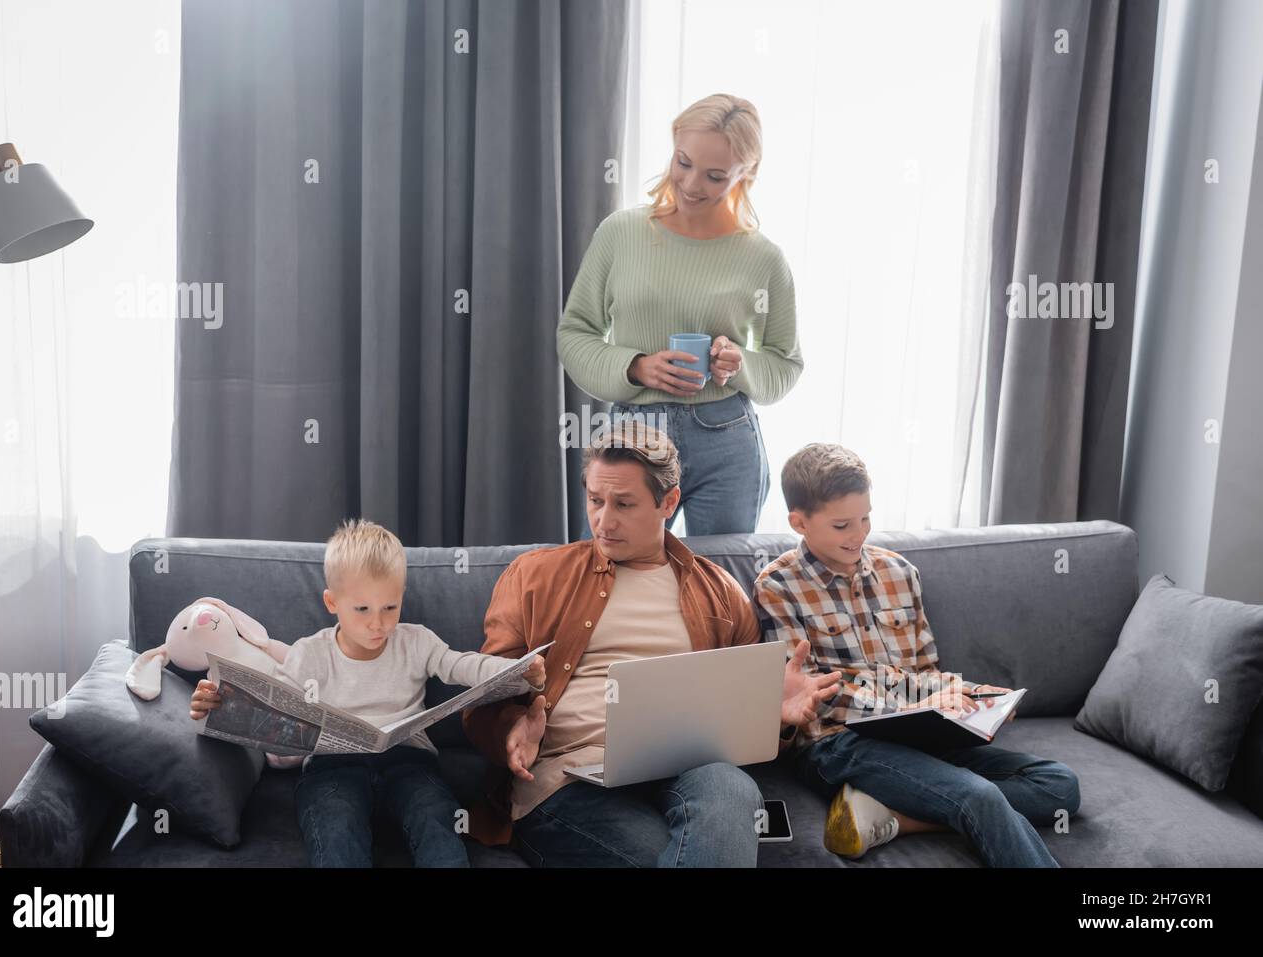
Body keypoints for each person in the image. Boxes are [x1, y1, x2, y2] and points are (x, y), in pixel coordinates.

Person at [462, 421, 838, 867]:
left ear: (669, 501)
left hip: (686, 767)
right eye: (595, 501)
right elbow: (482, 693)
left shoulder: (720, 592)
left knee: (731, 786)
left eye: (624, 504)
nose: (604, 520)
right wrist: (510, 728)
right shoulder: (534, 575)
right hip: (569, 777)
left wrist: (770, 711)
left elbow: (739, 723)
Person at [753, 443, 1082, 866]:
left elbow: (925, 670)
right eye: (841, 525)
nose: (859, 534)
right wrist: (914, 703)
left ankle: (892, 816)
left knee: (1059, 786)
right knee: (978, 795)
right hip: (836, 744)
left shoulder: (899, 573)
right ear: (799, 522)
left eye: (866, 518)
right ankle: (945, 807)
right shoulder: (777, 585)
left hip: (918, 732)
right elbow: (809, 694)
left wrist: (970, 695)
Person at [189, 518, 544, 867]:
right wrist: (221, 706)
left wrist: (516, 671)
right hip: (332, 768)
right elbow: (279, 743)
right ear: (332, 602)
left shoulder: (415, 641)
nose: (378, 623)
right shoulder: (308, 654)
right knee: (334, 826)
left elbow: (463, 665)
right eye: (362, 609)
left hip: (409, 762)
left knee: (435, 818)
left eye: (390, 607)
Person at [557, 93, 802, 536]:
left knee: (720, 585)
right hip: (635, 430)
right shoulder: (621, 234)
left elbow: (786, 361)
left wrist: (740, 363)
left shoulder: (764, 258)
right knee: (621, 579)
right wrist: (634, 366)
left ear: (746, 173)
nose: (691, 184)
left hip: (726, 436)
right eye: (683, 162)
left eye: (714, 176)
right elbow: (575, 333)